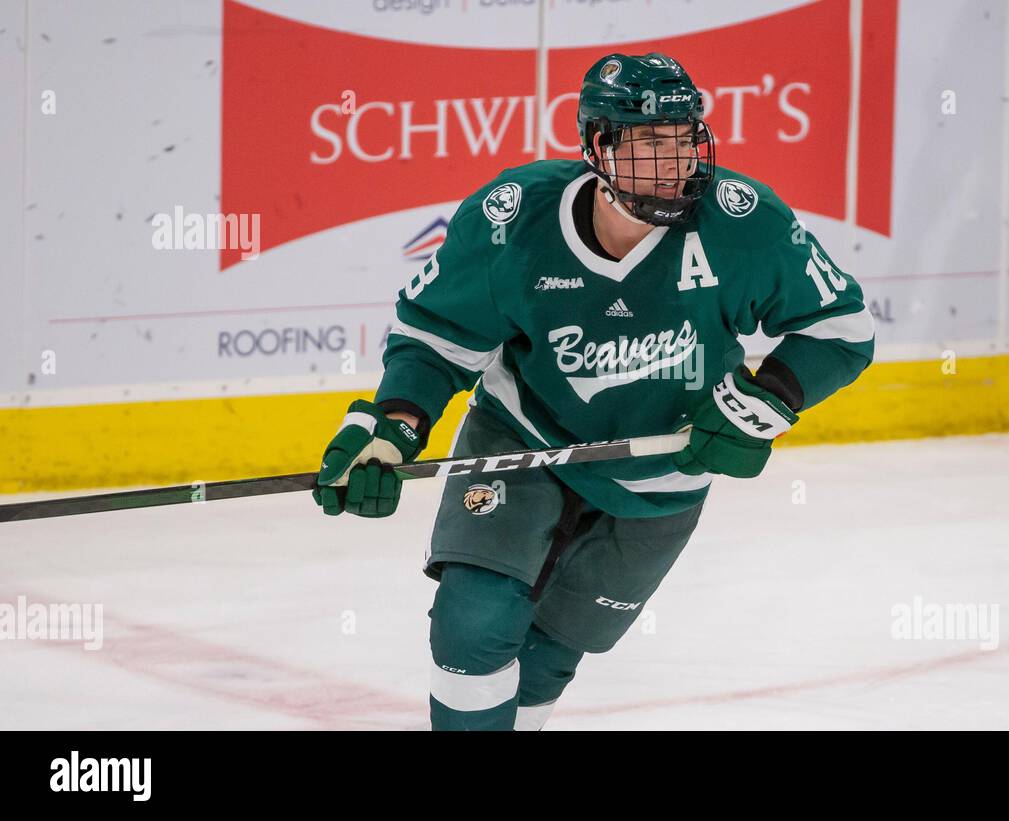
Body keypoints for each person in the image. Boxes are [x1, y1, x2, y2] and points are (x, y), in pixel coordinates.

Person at [312, 52, 876, 730]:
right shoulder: (513, 217)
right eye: (649, 143)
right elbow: (436, 339)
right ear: (599, 145)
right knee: (474, 624)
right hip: (525, 439)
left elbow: (841, 327)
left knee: (547, 656)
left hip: (661, 477)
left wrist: (769, 399)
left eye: (684, 141)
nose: (675, 164)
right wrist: (393, 426)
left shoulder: (739, 222)